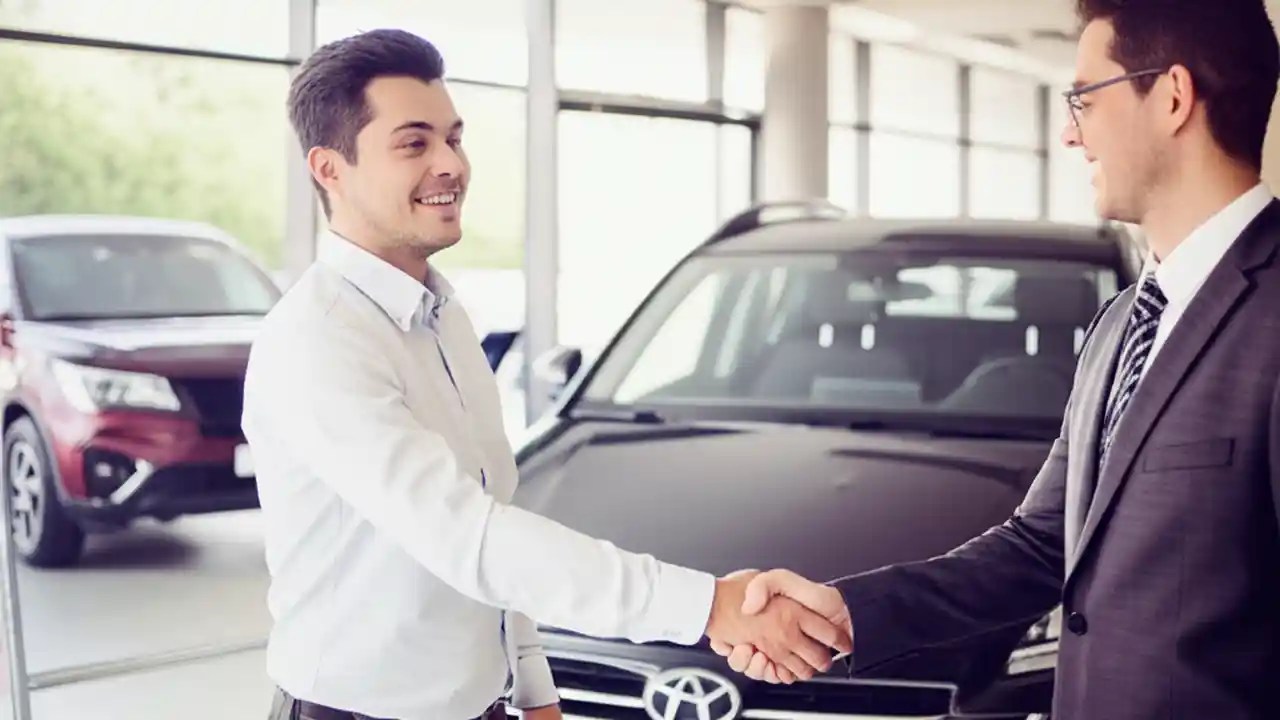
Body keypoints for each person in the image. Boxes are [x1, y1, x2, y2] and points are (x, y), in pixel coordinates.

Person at [246, 28, 850, 720]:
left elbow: (496, 521)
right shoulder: (317, 341)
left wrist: (533, 692)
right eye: (414, 143)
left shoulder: (442, 316)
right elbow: (466, 537)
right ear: (330, 169)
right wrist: (711, 607)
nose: (451, 164)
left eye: (454, 137)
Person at [713, 0, 1280, 717]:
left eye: (1084, 97)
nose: (1070, 134)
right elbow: (1042, 546)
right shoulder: (1121, 324)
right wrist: (843, 611)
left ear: (1171, 97)